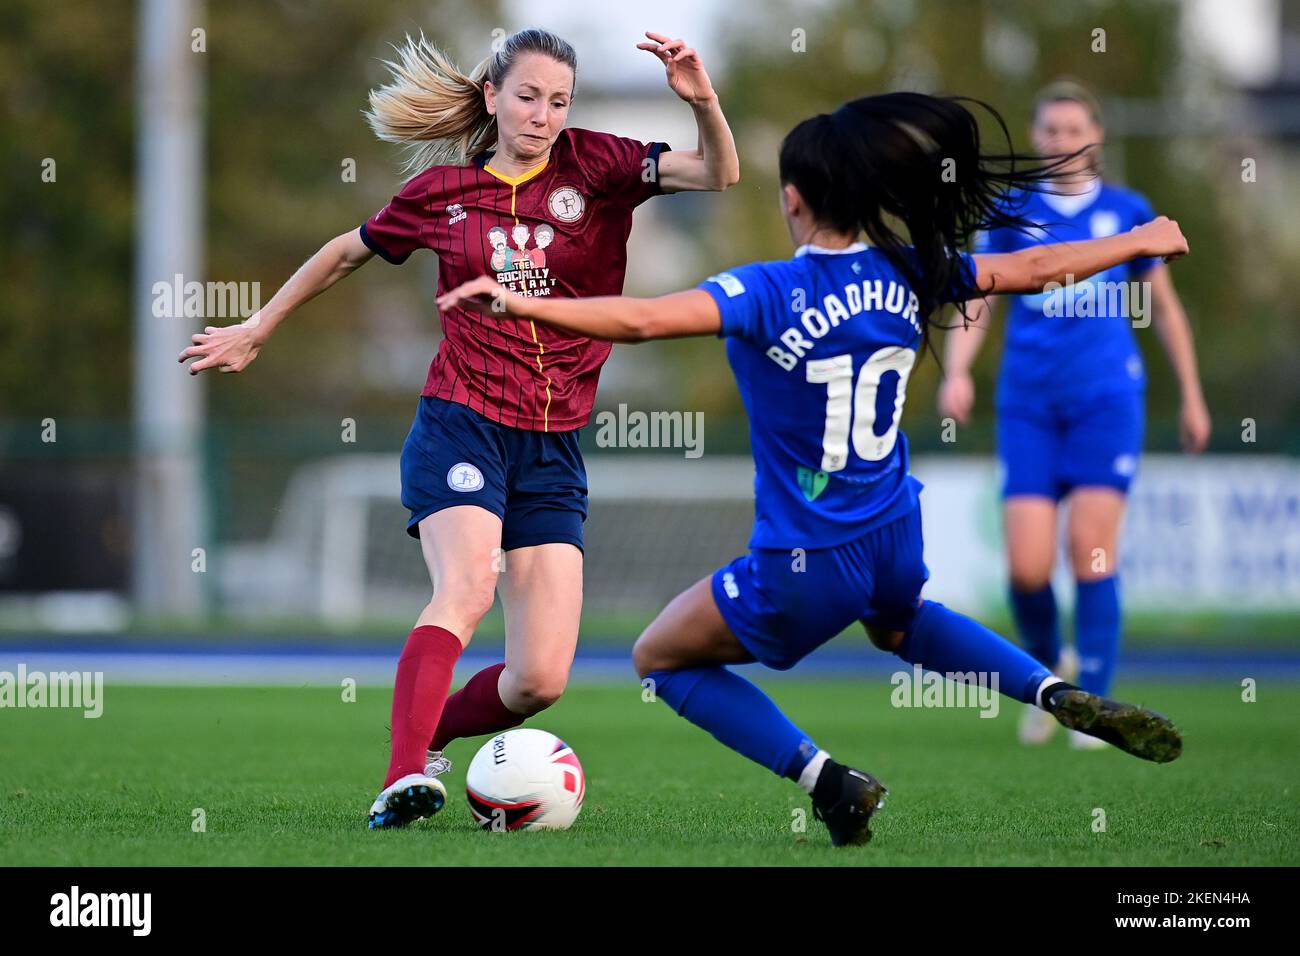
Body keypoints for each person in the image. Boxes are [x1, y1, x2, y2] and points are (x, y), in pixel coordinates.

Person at [437, 92, 1189, 847]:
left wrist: (521, 305)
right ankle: (1051, 690)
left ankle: (826, 780)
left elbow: (641, 320)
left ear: (793, 199)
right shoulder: (914, 269)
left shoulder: (764, 290)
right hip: (895, 533)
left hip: (808, 556)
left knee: (660, 657)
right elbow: (1035, 267)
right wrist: (1138, 239)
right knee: (902, 624)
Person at [178, 27, 740, 828]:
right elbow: (346, 251)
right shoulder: (442, 195)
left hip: (552, 446)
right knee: (468, 584)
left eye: (558, 101)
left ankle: (427, 729)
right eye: (528, 96)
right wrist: (258, 326)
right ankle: (403, 774)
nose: (543, 115)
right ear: (492, 96)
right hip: (461, 423)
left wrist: (702, 100)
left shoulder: (600, 165)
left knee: (540, 680)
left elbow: (721, 172)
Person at [935, 80, 1210, 748]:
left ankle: (1099, 705)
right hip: (1028, 403)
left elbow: (1165, 308)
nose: (1062, 141)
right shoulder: (1011, 210)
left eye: (1073, 129)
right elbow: (980, 298)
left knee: (1090, 557)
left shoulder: (1128, 210)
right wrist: (959, 369)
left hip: (1105, 401)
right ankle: (1052, 678)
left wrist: (1193, 393)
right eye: (1050, 131)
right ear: (1036, 138)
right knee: (1027, 570)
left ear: (1097, 136)